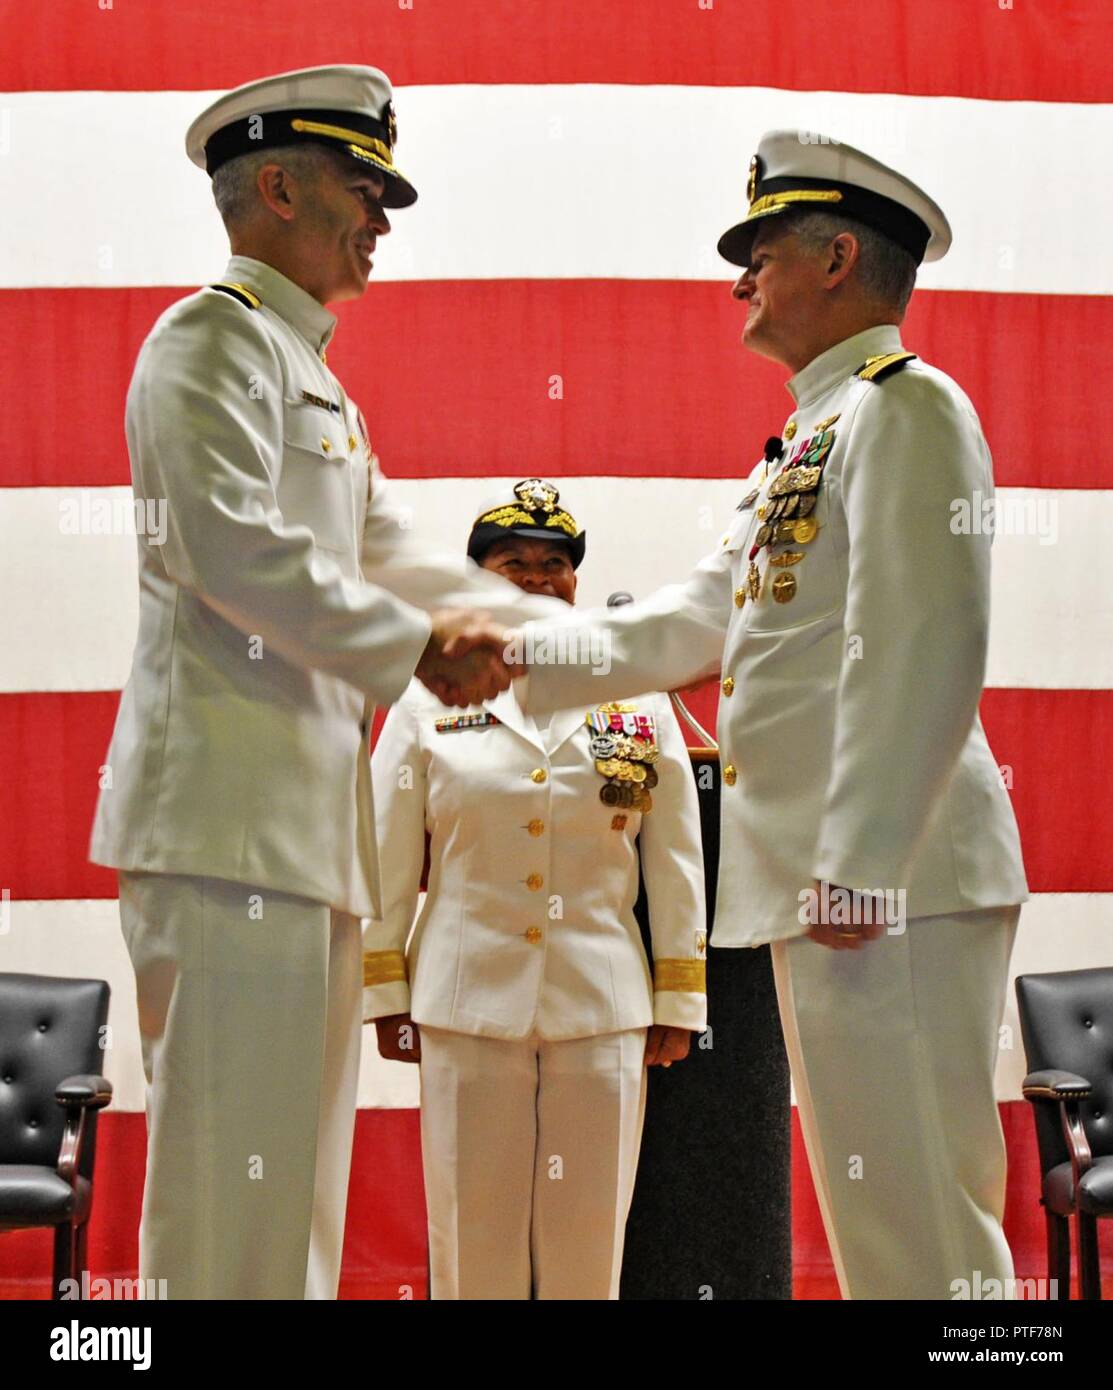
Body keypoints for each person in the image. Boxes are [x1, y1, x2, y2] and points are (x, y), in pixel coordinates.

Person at [510, 133, 1029, 1299]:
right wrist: (515, 659)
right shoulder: (812, 435)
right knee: (879, 1216)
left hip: (895, 879)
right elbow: (699, 621)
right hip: (838, 885)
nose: (740, 277)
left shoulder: (908, 409)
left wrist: (860, 859)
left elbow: (928, 646)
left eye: (762, 250)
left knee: (922, 1219)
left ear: (839, 257)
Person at [88, 65, 563, 1300]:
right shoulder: (203, 341)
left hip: (296, 838)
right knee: (223, 1198)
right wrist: (414, 650)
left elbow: (394, 553)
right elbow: (224, 540)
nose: (384, 219)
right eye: (367, 188)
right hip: (225, 829)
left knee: (291, 1188)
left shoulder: (318, 383)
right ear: (282, 185)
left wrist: (581, 645)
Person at [363, 480, 708, 1299]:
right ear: (475, 580)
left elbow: (676, 860)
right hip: (462, 999)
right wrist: (383, 987)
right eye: (511, 562)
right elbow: (381, 851)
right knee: (470, 1232)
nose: (534, 578)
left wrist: (678, 996)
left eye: (553, 565)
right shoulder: (425, 698)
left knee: (587, 1238)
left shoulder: (635, 694)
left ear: (576, 584)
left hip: (603, 1002)